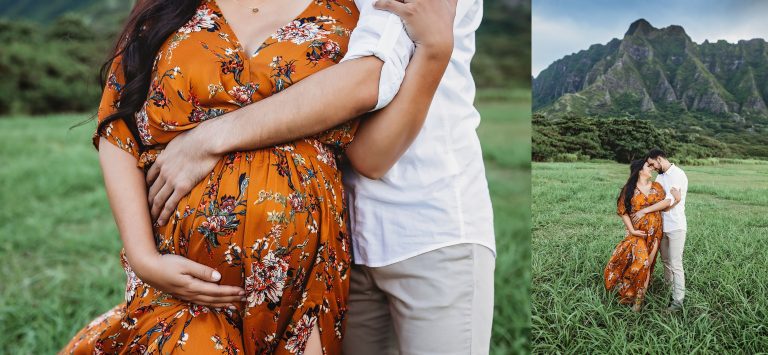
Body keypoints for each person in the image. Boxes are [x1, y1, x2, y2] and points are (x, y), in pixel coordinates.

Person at [63, 0, 456, 353]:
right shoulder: (167, 7)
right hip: (183, 274)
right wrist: (144, 257)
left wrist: (436, 49)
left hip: (303, 284)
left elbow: (370, 139)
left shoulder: (352, 13)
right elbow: (120, 130)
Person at [604, 159, 680, 312]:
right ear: (639, 170)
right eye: (648, 166)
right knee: (641, 263)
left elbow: (664, 208)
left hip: (655, 234)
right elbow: (622, 211)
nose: (651, 168)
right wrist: (631, 230)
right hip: (637, 234)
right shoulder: (630, 189)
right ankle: (625, 291)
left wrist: (676, 201)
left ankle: (638, 303)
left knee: (646, 267)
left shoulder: (657, 188)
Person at [645, 148, 688, 312]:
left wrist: (646, 211)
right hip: (662, 226)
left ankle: (678, 301)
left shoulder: (677, 174)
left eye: (652, 163)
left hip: (676, 226)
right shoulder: (660, 176)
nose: (652, 167)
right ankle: (667, 290)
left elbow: (669, 202)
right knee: (666, 262)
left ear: (659, 159)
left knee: (676, 263)